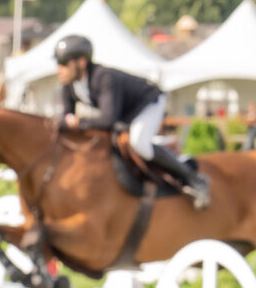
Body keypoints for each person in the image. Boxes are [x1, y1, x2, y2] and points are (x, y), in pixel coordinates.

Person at [51, 32, 209, 208]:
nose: (59, 68)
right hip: (125, 113)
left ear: (81, 62)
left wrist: (79, 122)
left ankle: (194, 178)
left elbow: (107, 120)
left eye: (64, 63)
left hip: (149, 102)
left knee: (139, 143)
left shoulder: (103, 77)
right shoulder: (69, 85)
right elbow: (64, 120)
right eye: (58, 63)